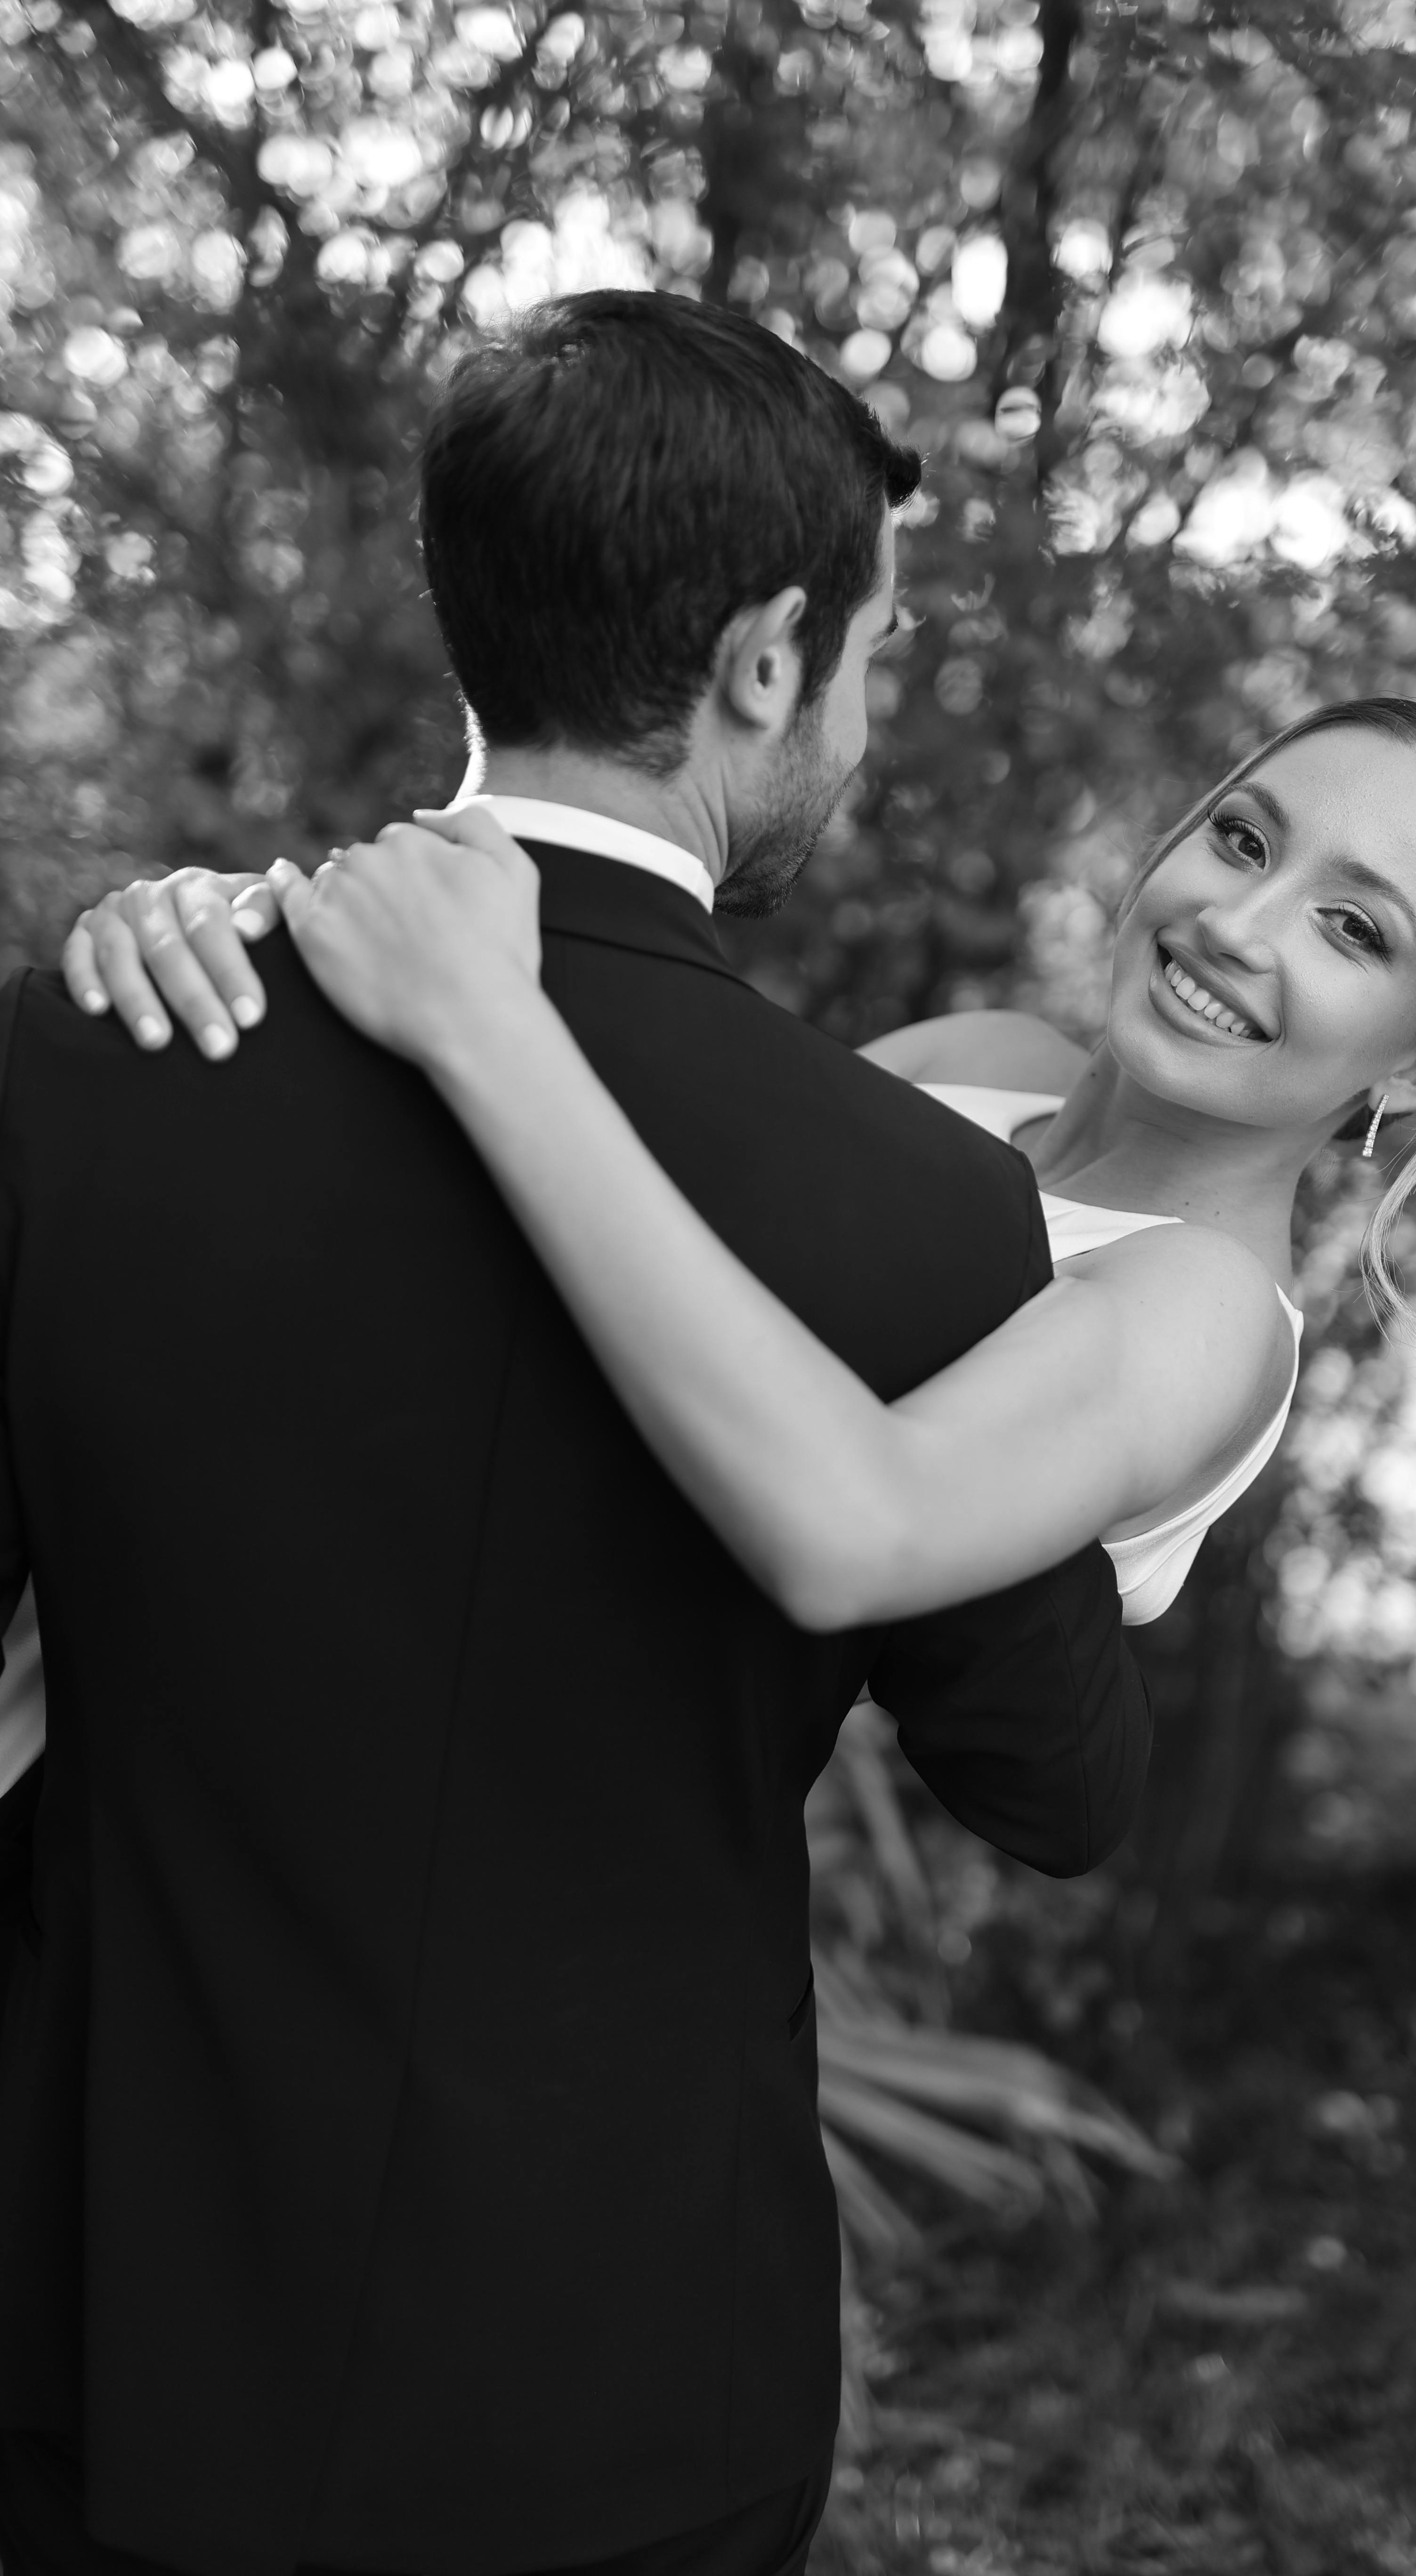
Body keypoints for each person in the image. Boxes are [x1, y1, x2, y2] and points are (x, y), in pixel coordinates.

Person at [0, 291, 1149, 2576]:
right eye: (876, 650)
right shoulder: (920, 1210)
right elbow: (1053, 1783)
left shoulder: (85, 1048)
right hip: (618, 2370)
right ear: (758, 663)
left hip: (80, 2311)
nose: (869, 703)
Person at [73, 697, 1416, 1639]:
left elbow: (856, 1533)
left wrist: (483, 1024)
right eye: (1244, 841)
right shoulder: (987, 1057)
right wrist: (248, 947)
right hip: (345, 1576)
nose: (1241, 926)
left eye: (1355, 928)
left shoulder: (1209, 1312)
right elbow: (588, 1196)